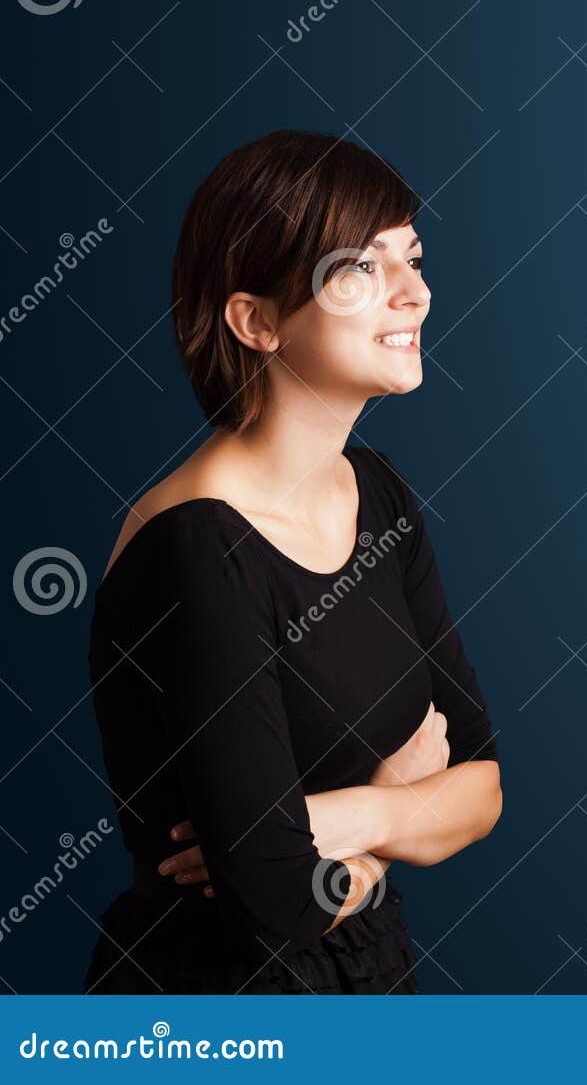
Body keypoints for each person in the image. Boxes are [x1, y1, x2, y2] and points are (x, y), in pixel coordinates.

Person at [82, 130, 502, 993]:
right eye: (360, 268)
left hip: (372, 981)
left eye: (412, 259)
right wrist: (396, 812)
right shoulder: (196, 548)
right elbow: (272, 904)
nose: (415, 293)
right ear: (258, 320)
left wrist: (335, 815)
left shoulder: (380, 495)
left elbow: (482, 782)